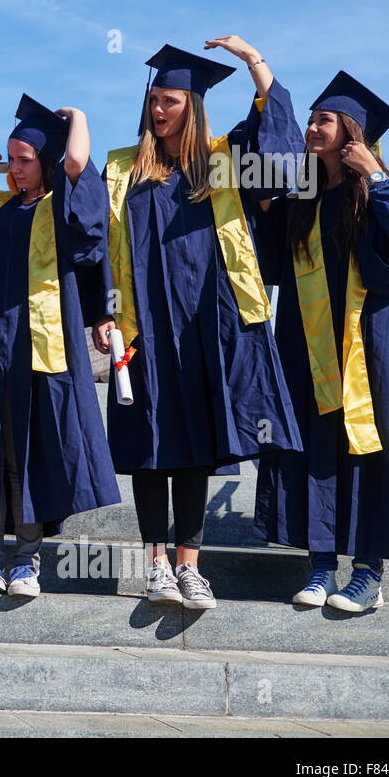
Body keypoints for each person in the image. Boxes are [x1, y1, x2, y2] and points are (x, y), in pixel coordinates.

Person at [100, 39, 303, 610]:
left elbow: (278, 155)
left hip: (206, 324)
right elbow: (93, 246)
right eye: (153, 99)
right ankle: (156, 565)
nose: (158, 110)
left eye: (169, 100)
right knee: (149, 444)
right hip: (142, 327)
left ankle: (191, 566)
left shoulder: (221, 158)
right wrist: (103, 311)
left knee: (192, 446)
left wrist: (256, 63)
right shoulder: (119, 167)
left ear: (191, 104)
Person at [252, 71, 389, 612]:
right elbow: (269, 258)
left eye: (323, 120)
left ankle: (367, 573)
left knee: (368, 446)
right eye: (311, 119)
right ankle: (319, 565)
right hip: (307, 340)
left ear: (352, 133)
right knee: (315, 444)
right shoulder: (303, 200)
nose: (312, 128)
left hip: (375, 342)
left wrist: (377, 177)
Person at [0, 95, 120, 597]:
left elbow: (82, 179)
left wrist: (79, 117)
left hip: (42, 344)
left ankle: (27, 560)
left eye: (25, 160)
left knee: (32, 447)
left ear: (47, 161)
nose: (15, 169)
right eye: (11, 159)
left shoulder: (62, 204)